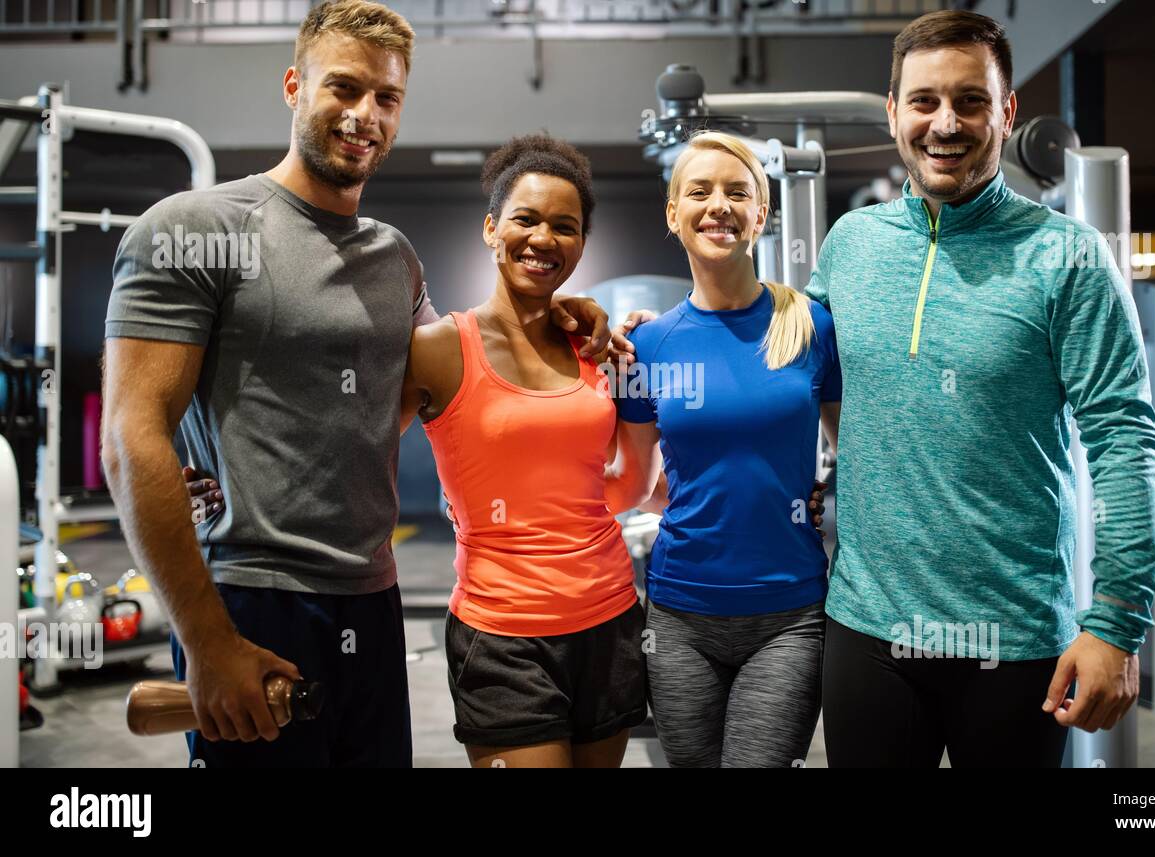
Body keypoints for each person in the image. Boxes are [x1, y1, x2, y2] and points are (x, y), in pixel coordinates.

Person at [102, 1, 611, 768]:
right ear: (293, 86)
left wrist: (552, 310)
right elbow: (128, 435)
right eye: (344, 88)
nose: (364, 114)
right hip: (252, 596)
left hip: (372, 603)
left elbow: (457, 371)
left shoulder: (394, 258)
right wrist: (205, 641)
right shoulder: (193, 229)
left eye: (387, 98)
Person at [806, 9, 1155, 767]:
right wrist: (614, 330)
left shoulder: (1070, 257)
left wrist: (1118, 621)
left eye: (970, 101)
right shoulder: (849, 245)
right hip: (870, 631)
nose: (946, 123)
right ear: (894, 109)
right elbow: (794, 356)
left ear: (1006, 112)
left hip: (1017, 639)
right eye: (925, 100)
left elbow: (1125, 442)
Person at [405, 134, 658, 768]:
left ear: (580, 244)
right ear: (492, 228)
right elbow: (354, 453)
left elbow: (624, 483)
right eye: (525, 218)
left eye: (564, 226)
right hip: (501, 637)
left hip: (609, 618)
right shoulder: (438, 347)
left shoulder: (592, 348)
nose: (544, 238)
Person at [613, 131, 841, 768]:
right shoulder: (648, 346)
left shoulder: (810, 327)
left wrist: (805, 494)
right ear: (672, 213)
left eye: (738, 192)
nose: (719, 205)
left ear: (761, 215)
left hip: (788, 614)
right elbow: (633, 483)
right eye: (700, 191)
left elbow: (860, 452)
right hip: (680, 611)